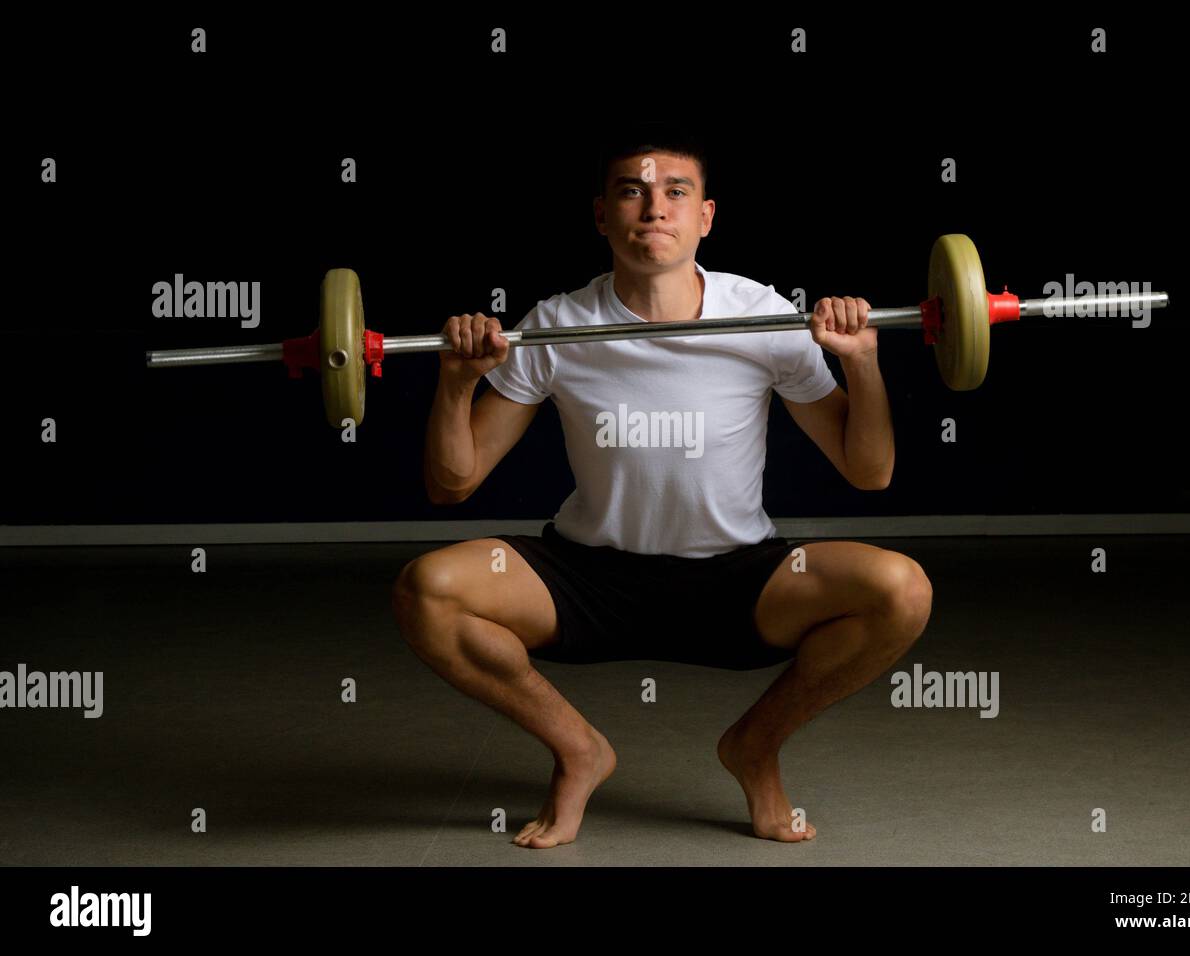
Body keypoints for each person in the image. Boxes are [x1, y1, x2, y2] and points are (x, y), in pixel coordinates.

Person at [392, 125, 932, 849]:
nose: (655, 208)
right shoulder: (554, 325)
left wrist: (862, 362)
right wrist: (456, 386)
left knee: (901, 590)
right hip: (586, 577)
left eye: (676, 192)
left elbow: (871, 472)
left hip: (738, 579)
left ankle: (755, 747)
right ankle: (579, 751)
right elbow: (453, 484)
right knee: (428, 589)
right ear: (602, 215)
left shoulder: (763, 316)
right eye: (632, 192)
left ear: (705, 216)